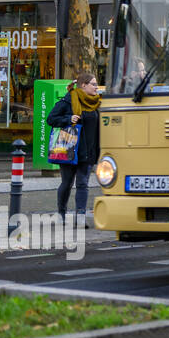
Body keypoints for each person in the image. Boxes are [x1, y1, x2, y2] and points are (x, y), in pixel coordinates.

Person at [46, 72, 101, 224]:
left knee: (83, 184)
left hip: (88, 151)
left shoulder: (97, 102)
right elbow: (50, 119)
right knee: (67, 183)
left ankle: (81, 218)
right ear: (83, 85)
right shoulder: (68, 100)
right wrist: (67, 119)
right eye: (94, 84)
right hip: (69, 150)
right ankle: (61, 213)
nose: (96, 87)